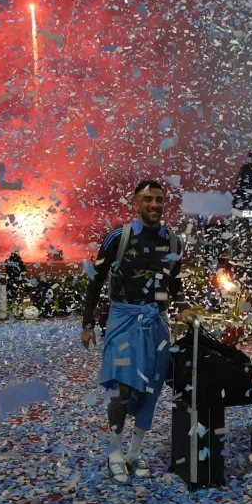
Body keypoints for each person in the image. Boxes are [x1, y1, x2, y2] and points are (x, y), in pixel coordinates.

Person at [81, 180, 193, 483]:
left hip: (156, 322)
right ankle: (114, 452)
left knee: (150, 391)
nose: (154, 205)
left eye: (159, 200)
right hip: (123, 318)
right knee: (122, 388)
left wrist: (182, 307)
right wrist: (87, 323)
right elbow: (96, 279)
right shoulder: (118, 237)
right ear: (135, 202)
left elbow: (175, 282)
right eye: (148, 200)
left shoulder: (173, 241)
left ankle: (134, 453)